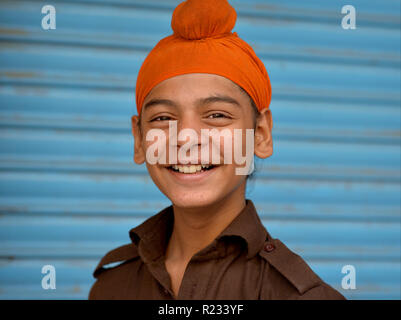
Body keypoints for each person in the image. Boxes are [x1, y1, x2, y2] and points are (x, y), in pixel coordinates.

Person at [88, 0, 345, 300]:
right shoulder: (113, 287)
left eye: (217, 115)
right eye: (163, 118)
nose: (185, 138)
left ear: (260, 134)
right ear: (139, 139)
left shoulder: (298, 296)